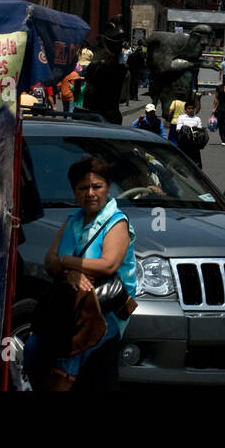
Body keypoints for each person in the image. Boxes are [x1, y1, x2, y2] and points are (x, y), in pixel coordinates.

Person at [26, 156, 136, 390]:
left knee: (71, 351)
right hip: (69, 305)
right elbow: (49, 262)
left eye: (97, 187)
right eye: (83, 188)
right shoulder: (72, 220)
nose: (90, 193)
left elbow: (108, 265)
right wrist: (69, 273)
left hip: (103, 308)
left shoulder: (117, 222)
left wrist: (67, 262)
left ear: (108, 188)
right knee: (34, 348)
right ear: (74, 192)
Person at [175, 100, 205, 167]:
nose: (191, 110)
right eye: (189, 108)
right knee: (183, 163)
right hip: (184, 143)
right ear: (186, 109)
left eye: (192, 108)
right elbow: (178, 129)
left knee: (196, 164)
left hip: (194, 144)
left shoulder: (197, 119)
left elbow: (199, 131)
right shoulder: (181, 117)